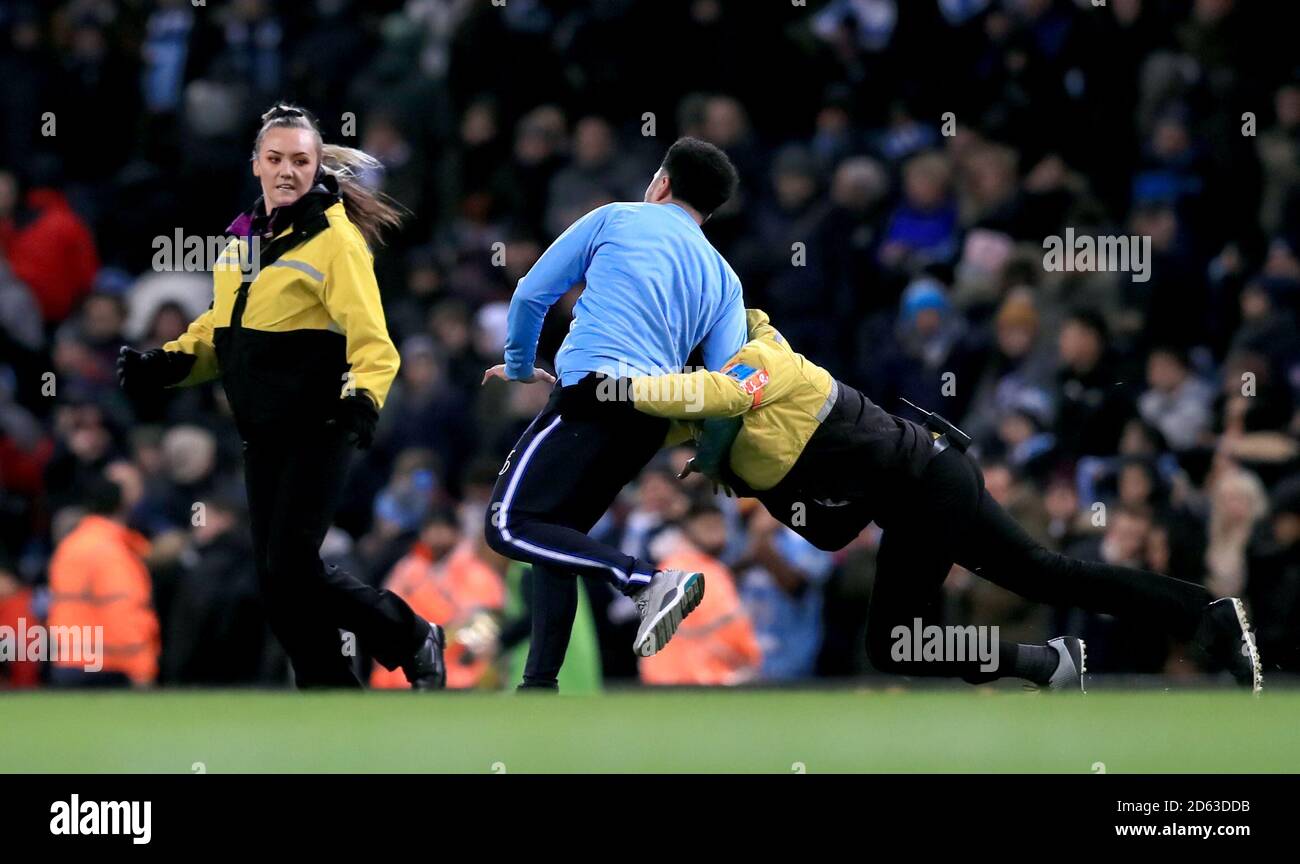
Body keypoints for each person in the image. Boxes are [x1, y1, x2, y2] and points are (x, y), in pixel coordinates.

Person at [625, 308, 1263, 693]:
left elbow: (830, 527)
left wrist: (626, 393)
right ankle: (1150, 633)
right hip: (923, 488)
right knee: (1010, 592)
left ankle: (1156, 632)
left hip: (931, 481)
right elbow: (831, 528)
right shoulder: (747, 446)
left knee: (941, 623)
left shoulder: (763, 368)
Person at [116, 104, 444, 689]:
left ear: (317, 166)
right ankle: (332, 697)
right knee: (279, 583)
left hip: (320, 426)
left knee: (289, 567)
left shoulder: (335, 242)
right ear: (256, 165)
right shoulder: (241, 240)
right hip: (261, 433)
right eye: (275, 159)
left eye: (300, 160)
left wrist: (363, 402)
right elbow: (219, 331)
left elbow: (376, 342)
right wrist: (165, 364)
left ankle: (410, 635)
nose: (287, 170)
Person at [481, 137, 747, 689]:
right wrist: (713, 454)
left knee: (507, 525)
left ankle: (645, 580)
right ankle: (539, 687)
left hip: (593, 393)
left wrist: (520, 362)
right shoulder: (724, 278)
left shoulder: (618, 218)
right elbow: (730, 386)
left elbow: (531, 293)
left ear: (663, 183)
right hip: (650, 418)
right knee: (556, 535)